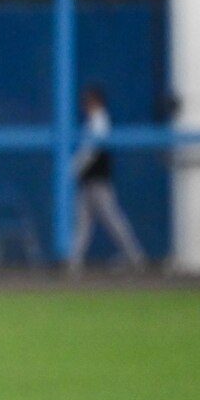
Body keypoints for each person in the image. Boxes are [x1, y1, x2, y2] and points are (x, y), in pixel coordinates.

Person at [69, 84, 147, 273]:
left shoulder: (100, 121)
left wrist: (74, 167)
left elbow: (91, 151)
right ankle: (73, 261)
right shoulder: (92, 122)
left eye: (88, 101)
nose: (84, 105)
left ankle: (135, 256)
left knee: (112, 219)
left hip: (98, 180)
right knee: (83, 221)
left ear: (97, 102)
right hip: (89, 179)